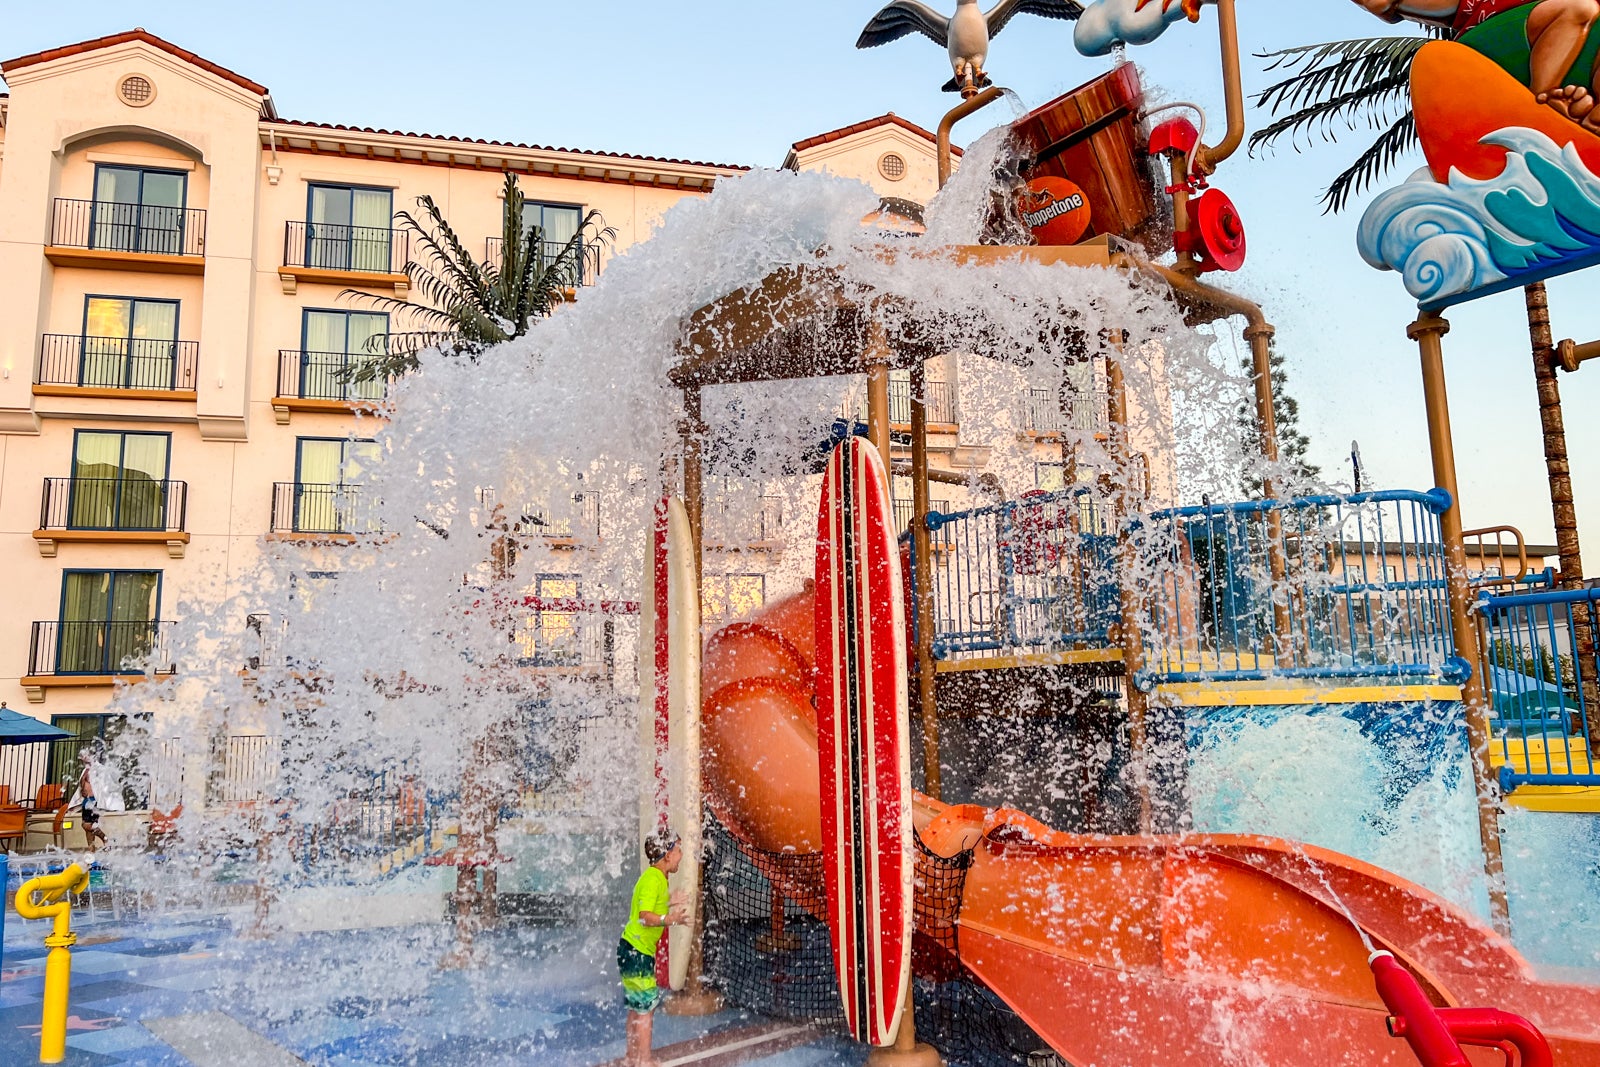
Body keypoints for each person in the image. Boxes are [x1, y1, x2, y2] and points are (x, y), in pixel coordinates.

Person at [1353, 0, 1600, 130]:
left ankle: (1592, 117)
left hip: (1552, 27)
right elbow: (1380, 3)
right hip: (1493, 35)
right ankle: (1542, 99)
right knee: (1578, 8)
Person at [619, 830, 688, 1067]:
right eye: (678, 850)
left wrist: (671, 903)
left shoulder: (656, 877)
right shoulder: (652, 879)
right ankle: (644, 1060)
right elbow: (645, 916)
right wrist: (670, 919)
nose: (681, 855)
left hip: (632, 949)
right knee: (646, 1008)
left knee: (636, 1007)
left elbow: (652, 904)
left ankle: (631, 1057)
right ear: (666, 855)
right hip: (637, 951)